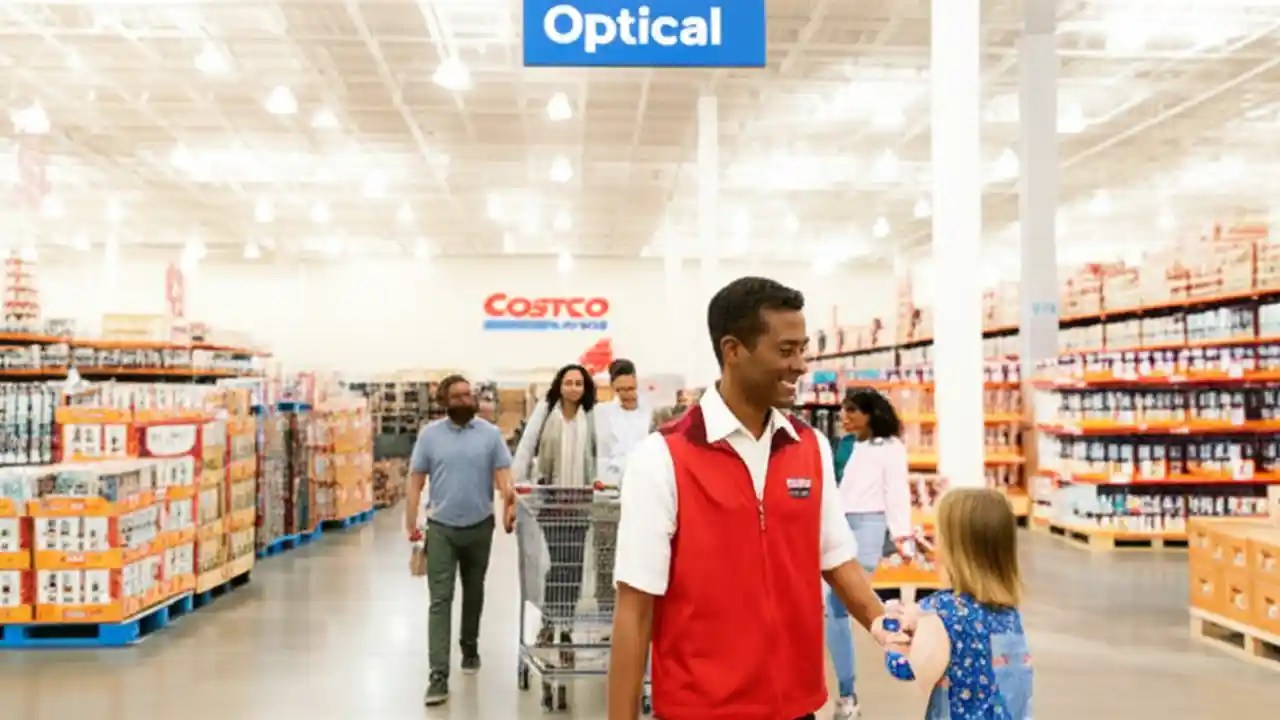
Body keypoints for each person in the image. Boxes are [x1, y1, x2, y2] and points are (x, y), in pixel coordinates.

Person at [607, 276, 902, 720]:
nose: (800, 365)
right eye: (786, 351)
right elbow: (635, 607)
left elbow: (836, 557)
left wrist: (885, 627)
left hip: (796, 706)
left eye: (803, 349)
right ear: (733, 350)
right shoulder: (663, 458)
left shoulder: (810, 447)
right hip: (699, 709)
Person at [404, 375, 516, 707]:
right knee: (440, 600)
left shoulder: (491, 435)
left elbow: (505, 480)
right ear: (444, 401)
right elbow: (414, 483)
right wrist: (411, 525)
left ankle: (470, 645)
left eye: (469, 395)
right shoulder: (429, 437)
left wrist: (510, 506)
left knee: (474, 589)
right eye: (458, 396)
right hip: (441, 529)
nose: (466, 400)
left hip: (480, 526)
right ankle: (438, 676)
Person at [884, 488, 1033, 719]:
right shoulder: (1010, 614)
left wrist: (892, 635)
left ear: (954, 551)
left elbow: (906, 667)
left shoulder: (941, 610)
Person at [828, 388, 914, 719]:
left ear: (871, 414)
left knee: (840, 603)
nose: (845, 417)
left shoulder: (891, 448)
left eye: (852, 411)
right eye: (843, 411)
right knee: (832, 610)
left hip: (868, 528)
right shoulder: (846, 445)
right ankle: (847, 693)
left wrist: (903, 536)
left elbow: (897, 493)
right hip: (837, 526)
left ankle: (849, 694)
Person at [511, 363, 600, 660]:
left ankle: (566, 626)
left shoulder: (591, 417)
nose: (574, 388)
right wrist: (520, 485)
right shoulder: (548, 414)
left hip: (580, 503)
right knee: (557, 565)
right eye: (569, 382)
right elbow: (529, 450)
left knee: (572, 569)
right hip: (551, 502)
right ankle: (551, 623)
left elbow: (598, 454)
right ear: (559, 386)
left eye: (579, 383)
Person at [595, 358, 649, 486]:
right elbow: (601, 454)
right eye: (621, 390)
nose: (626, 394)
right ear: (612, 386)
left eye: (630, 388)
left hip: (646, 479)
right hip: (614, 482)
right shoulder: (602, 413)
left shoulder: (649, 412)